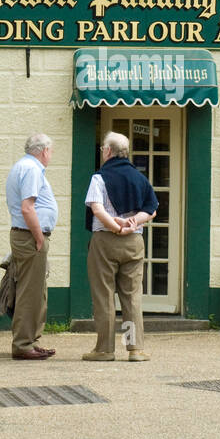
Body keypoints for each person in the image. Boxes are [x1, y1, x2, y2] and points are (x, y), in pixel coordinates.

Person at [83, 132, 158, 362]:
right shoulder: (139, 177)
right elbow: (152, 209)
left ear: (107, 151)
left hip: (105, 240)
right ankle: (134, 348)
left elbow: (97, 208)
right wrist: (134, 222)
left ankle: (105, 349)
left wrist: (116, 226)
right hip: (134, 241)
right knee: (131, 296)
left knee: (104, 294)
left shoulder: (99, 177)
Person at [5, 133, 58, 360]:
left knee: (35, 291)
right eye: (51, 151)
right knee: (29, 292)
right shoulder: (32, 169)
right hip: (30, 237)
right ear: (44, 150)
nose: (51, 155)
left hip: (27, 236)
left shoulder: (24, 166)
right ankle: (24, 344)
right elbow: (28, 208)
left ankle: (31, 341)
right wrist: (38, 238)